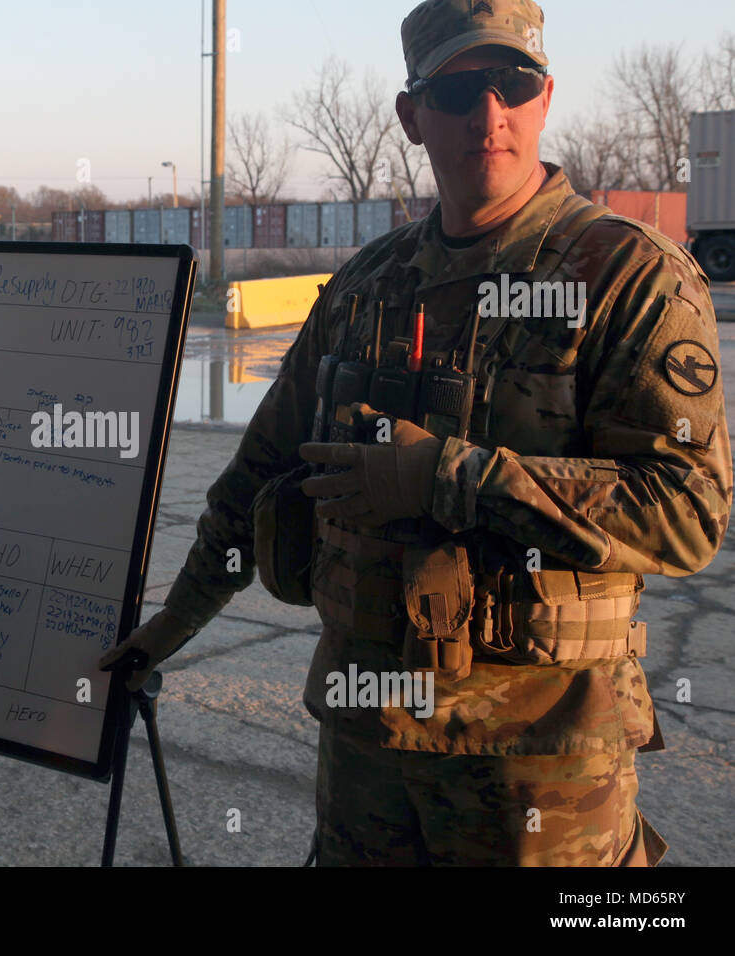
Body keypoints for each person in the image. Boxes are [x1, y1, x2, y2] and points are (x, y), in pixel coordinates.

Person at [102, 0, 731, 865]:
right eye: (460, 89)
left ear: (546, 98)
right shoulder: (366, 288)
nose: (489, 115)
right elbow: (254, 479)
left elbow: (687, 510)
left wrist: (451, 476)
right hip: (370, 749)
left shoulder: (627, 277)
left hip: (543, 774)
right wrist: (171, 624)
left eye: (514, 84)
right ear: (411, 116)